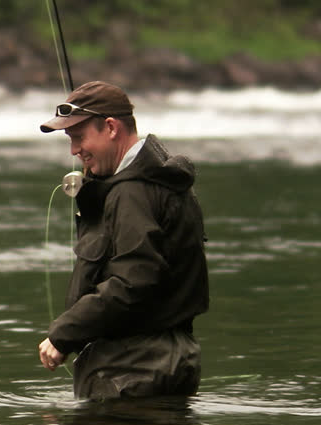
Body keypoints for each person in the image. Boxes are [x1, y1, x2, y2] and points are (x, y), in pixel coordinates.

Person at [37, 81, 209, 400]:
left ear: (111, 128)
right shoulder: (160, 180)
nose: (74, 151)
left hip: (133, 369)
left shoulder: (132, 192)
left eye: (78, 137)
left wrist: (64, 334)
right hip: (166, 362)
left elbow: (133, 282)